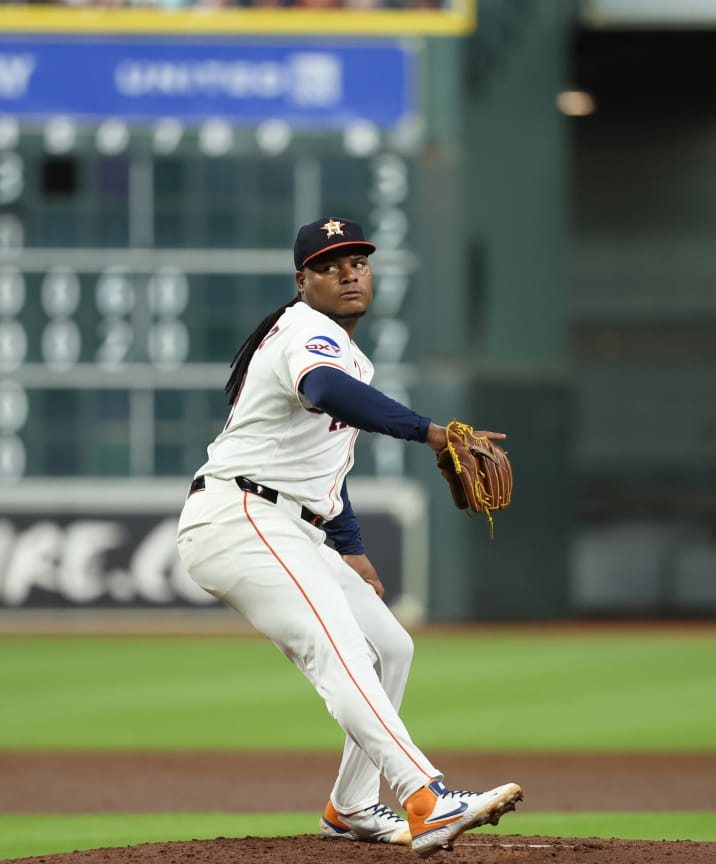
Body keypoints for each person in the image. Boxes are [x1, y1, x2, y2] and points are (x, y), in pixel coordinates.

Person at [176, 217, 521, 858]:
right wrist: (432, 432)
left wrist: (350, 547)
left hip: (290, 522)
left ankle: (352, 806)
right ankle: (426, 798)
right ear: (302, 280)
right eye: (331, 264)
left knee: (390, 646)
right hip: (240, 516)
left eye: (358, 260)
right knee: (339, 651)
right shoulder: (304, 333)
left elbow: (323, 468)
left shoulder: (338, 345)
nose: (350, 271)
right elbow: (328, 392)